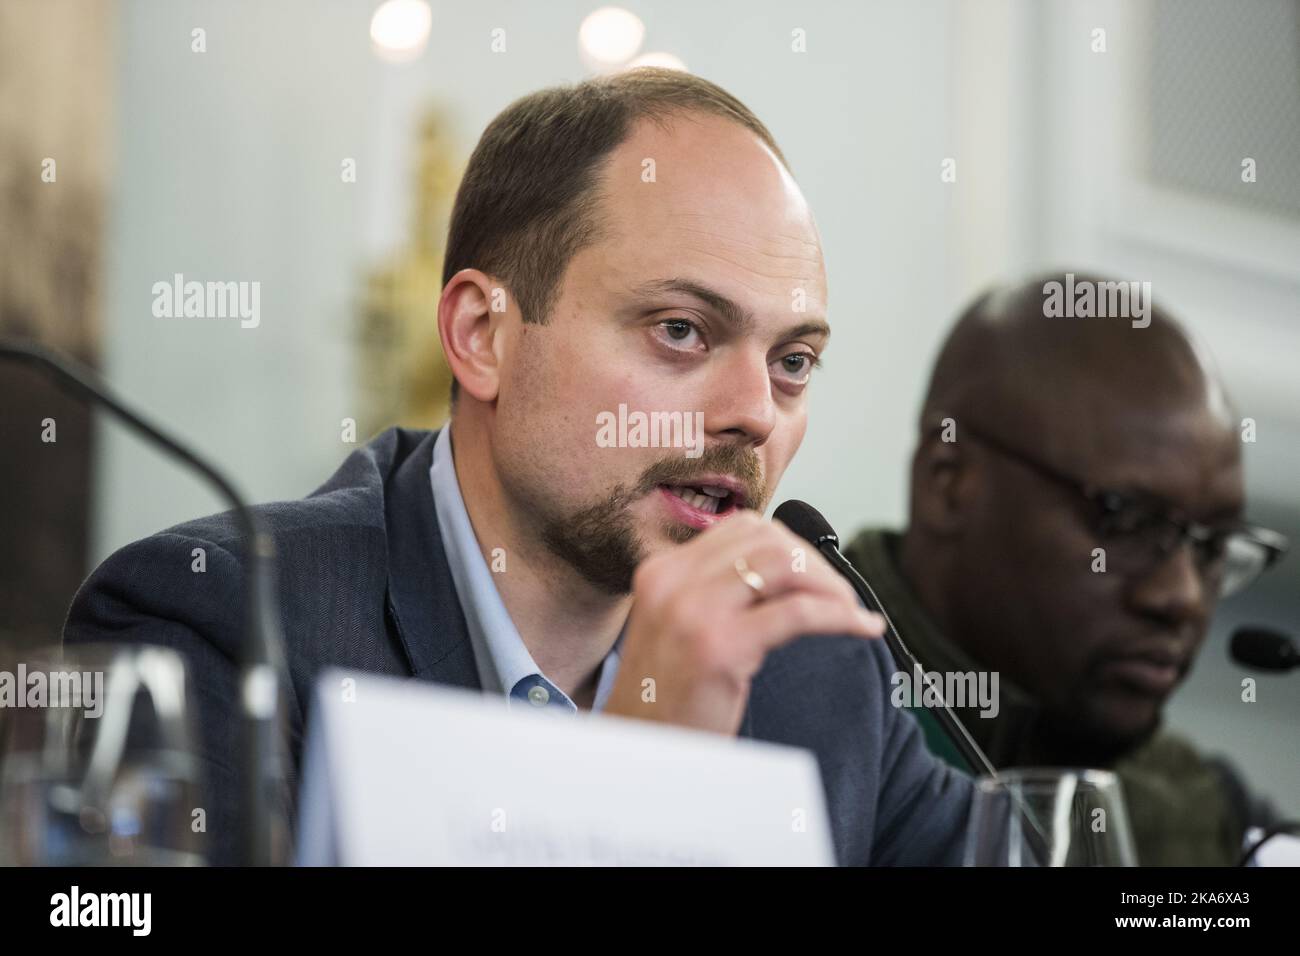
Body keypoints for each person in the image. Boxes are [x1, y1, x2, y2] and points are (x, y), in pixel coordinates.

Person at [65, 69, 973, 866]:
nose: (753, 413)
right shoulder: (215, 624)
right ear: (481, 335)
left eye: (793, 362)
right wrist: (638, 791)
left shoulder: (809, 673)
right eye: (681, 331)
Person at [843, 274, 1287, 865]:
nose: (1180, 596)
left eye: (1212, 546)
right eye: (1123, 517)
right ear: (948, 483)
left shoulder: (1200, 820)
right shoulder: (770, 702)